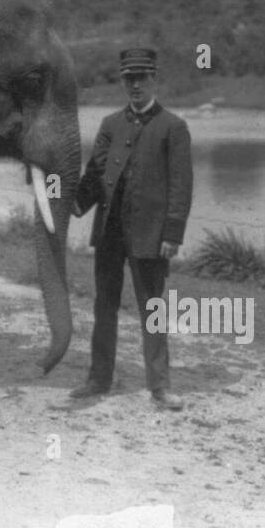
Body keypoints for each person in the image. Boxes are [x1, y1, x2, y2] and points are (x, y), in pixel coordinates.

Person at [71, 47, 193, 411]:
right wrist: (70, 204)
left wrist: (172, 233)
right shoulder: (110, 124)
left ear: (154, 79)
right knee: (103, 306)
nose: (135, 85)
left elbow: (181, 187)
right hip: (110, 232)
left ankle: (160, 387)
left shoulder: (174, 127)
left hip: (151, 235)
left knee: (152, 309)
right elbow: (95, 175)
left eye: (141, 78)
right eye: (129, 79)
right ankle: (98, 379)